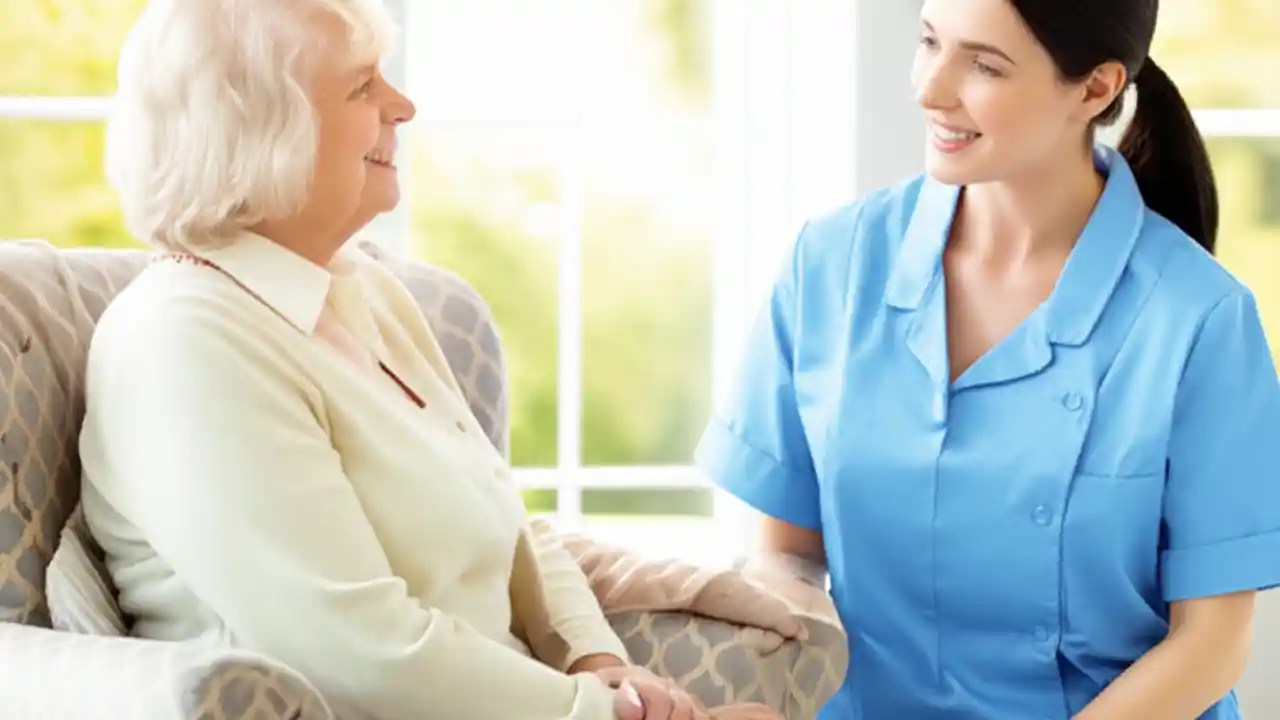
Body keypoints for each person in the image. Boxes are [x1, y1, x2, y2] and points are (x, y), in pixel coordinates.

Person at [80, 1, 782, 718]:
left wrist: (598, 661)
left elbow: (511, 524)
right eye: (362, 88)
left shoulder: (366, 290)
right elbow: (354, 648)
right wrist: (599, 712)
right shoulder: (184, 342)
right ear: (256, 127)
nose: (403, 105)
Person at [697, 0, 1280, 718]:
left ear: (1096, 88)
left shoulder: (1198, 319)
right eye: (929, 41)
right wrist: (771, 676)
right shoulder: (833, 265)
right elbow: (788, 553)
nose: (929, 88)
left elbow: (1213, 643)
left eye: (983, 64)